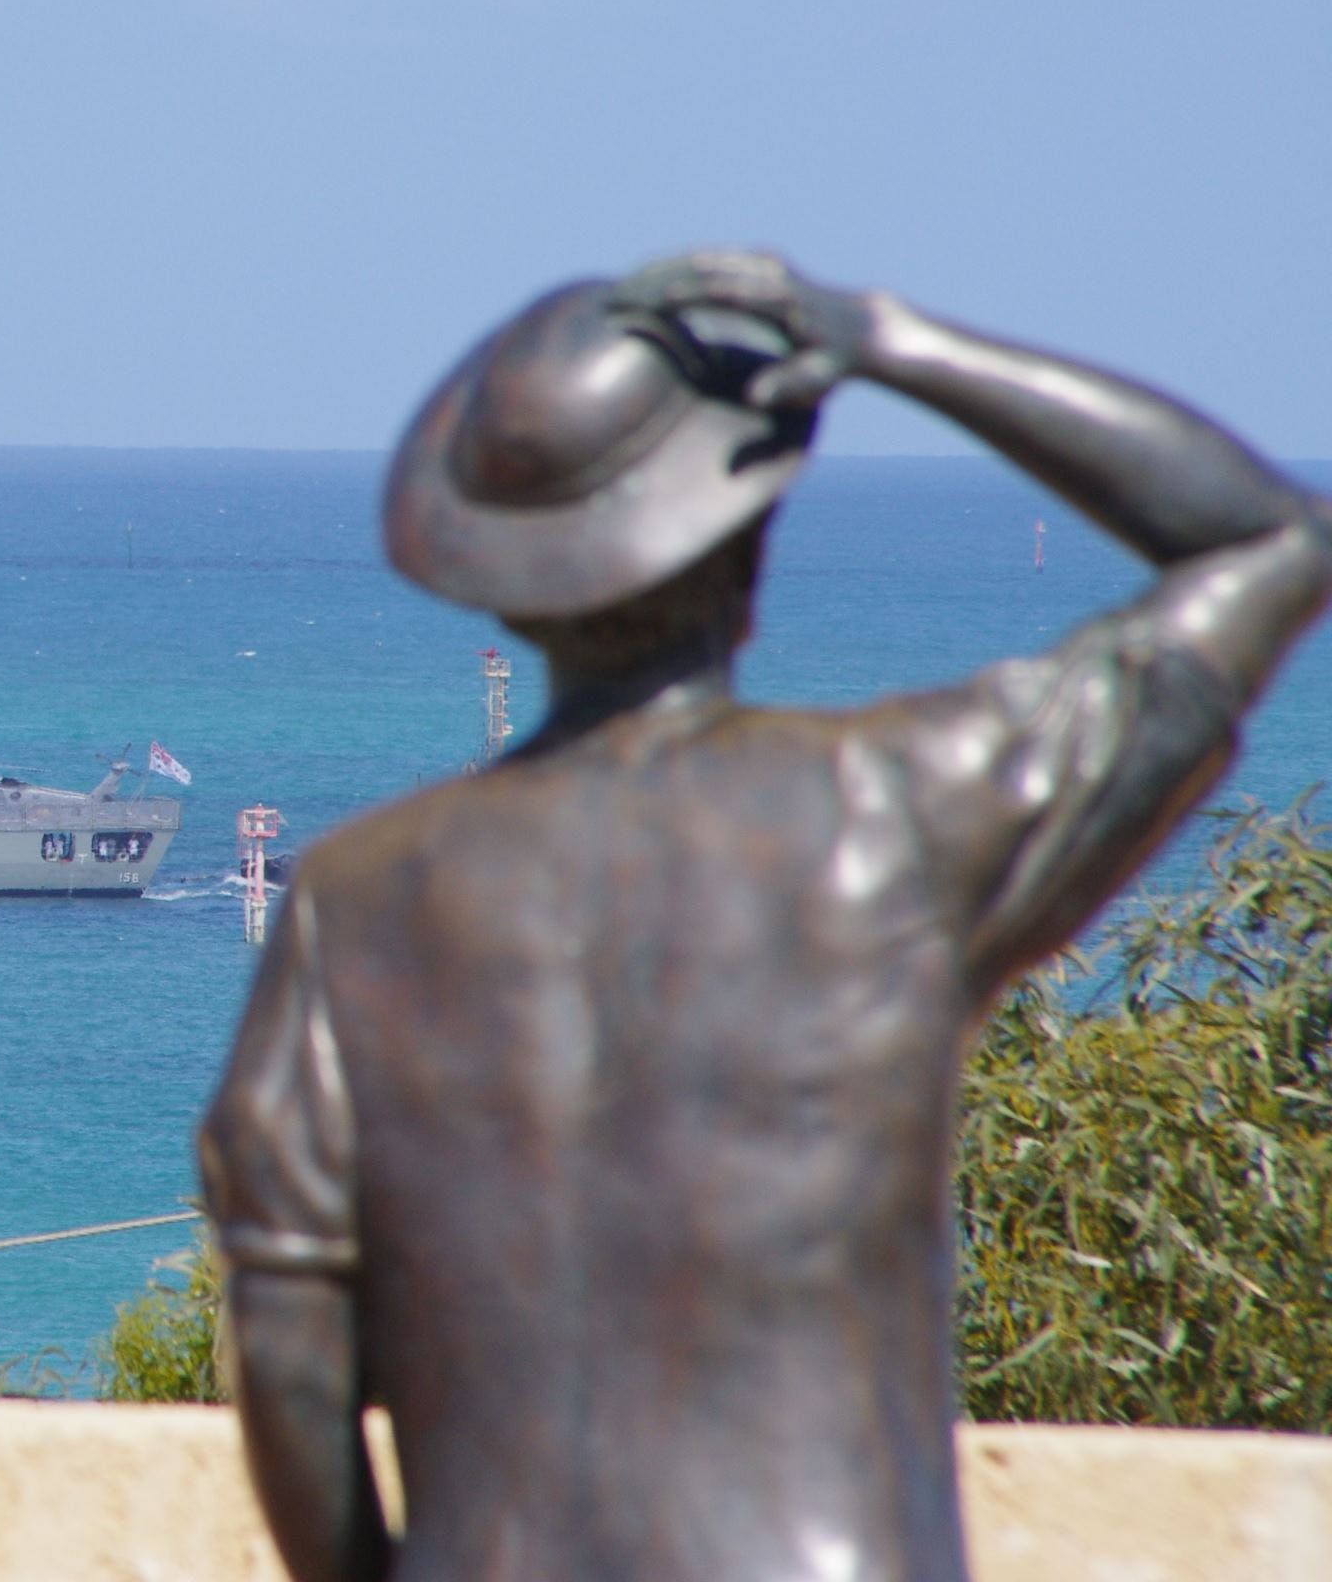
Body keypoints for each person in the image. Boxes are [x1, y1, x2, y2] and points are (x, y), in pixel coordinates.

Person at [200, 252, 1331, 1582]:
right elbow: (1268, 539)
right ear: (751, 537)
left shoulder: (356, 897)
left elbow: (288, 1353)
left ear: (506, 585)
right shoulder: (891, 815)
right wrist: (895, 341)